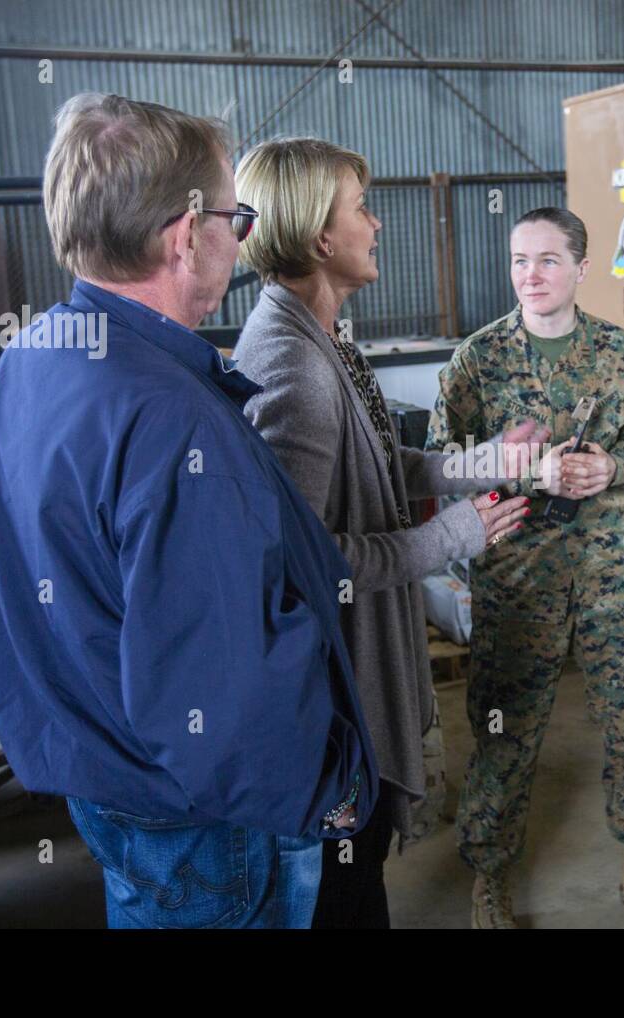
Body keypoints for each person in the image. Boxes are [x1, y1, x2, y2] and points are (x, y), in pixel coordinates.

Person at [0, 94, 376, 930]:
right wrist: (326, 793)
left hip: (103, 771)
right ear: (184, 236)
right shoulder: (173, 422)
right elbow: (224, 689)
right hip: (201, 818)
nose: (243, 235)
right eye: (236, 215)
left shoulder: (36, 355)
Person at [232, 137, 543, 929]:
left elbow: (377, 462)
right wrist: (453, 538)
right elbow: (305, 563)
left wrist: (480, 464)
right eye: (361, 208)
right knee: (347, 890)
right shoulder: (291, 366)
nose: (378, 224)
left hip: (356, 677)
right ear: (318, 236)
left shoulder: (324, 335)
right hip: (333, 701)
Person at [426, 207, 624, 930]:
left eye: (549, 260)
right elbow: (440, 470)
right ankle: (490, 875)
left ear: (583, 268)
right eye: (519, 260)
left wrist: (611, 466)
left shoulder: (621, 354)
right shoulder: (478, 360)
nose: (531, 274)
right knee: (506, 728)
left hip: (610, 574)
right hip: (518, 577)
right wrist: (523, 464)